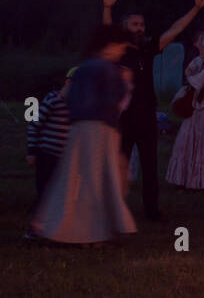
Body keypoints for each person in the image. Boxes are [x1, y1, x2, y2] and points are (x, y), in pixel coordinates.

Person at [102, 0, 204, 221]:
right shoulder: (118, 50)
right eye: (135, 25)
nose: (140, 28)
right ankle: (114, 209)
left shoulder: (148, 47)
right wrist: (107, 8)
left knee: (150, 167)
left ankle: (151, 210)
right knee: (119, 165)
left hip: (147, 115)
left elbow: (176, 28)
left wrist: (195, 9)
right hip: (123, 117)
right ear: (125, 28)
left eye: (142, 25)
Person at [29, 26, 137, 245]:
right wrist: (125, 83)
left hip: (79, 129)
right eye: (121, 48)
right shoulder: (108, 69)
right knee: (95, 180)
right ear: (111, 46)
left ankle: (64, 227)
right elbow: (115, 103)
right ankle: (87, 232)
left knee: (73, 179)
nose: (121, 53)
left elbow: (72, 100)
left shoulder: (83, 68)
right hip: (99, 130)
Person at [165, 31, 204, 190]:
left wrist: (191, 76)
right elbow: (188, 71)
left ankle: (203, 182)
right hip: (197, 110)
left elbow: (196, 81)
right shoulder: (201, 61)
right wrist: (192, 72)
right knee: (187, 145)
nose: (201, 49)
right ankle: (187, 180)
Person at [26, 67, 74, 206]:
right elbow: (35, 125)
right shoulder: (53, 99)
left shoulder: (76, 105)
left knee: (60, 188)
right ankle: (40, 215)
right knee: (44, 187)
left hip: (64, 155)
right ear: (68, 83)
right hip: (46, 153)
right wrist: (32, 152)